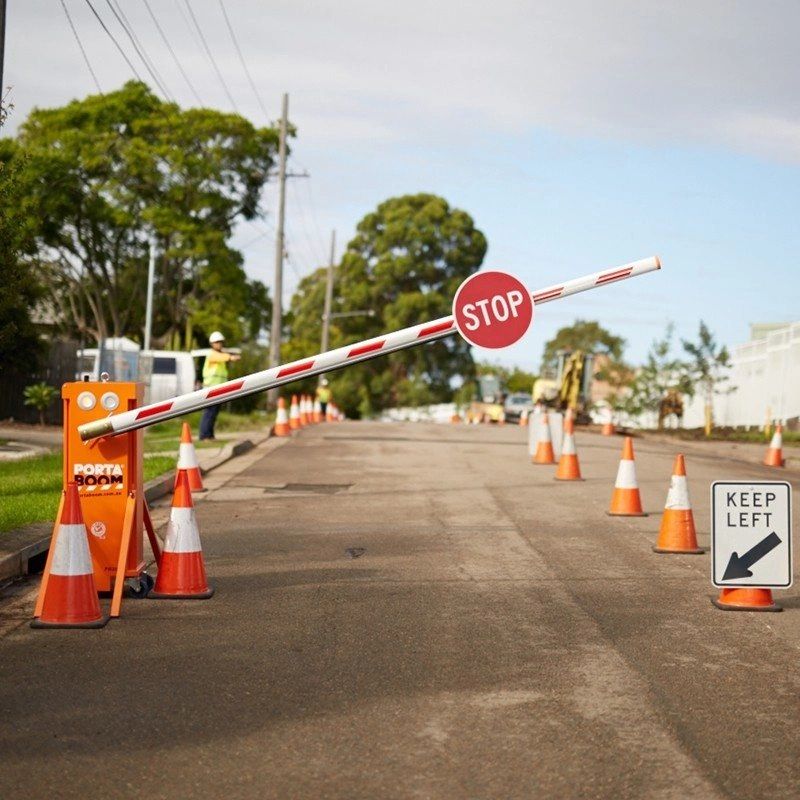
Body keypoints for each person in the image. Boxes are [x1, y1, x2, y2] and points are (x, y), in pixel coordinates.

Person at [199, 331, 240, 440]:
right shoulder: (212, 354)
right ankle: (204, 436)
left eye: (220, 342)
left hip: (218, 389)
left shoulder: (220, 356)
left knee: (214, 413)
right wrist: (231, 357)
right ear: (212, 343)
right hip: (210, 389)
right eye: (217, 342)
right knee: (209, 412)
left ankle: (210, 435)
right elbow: (220, 357)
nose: (219, 344)